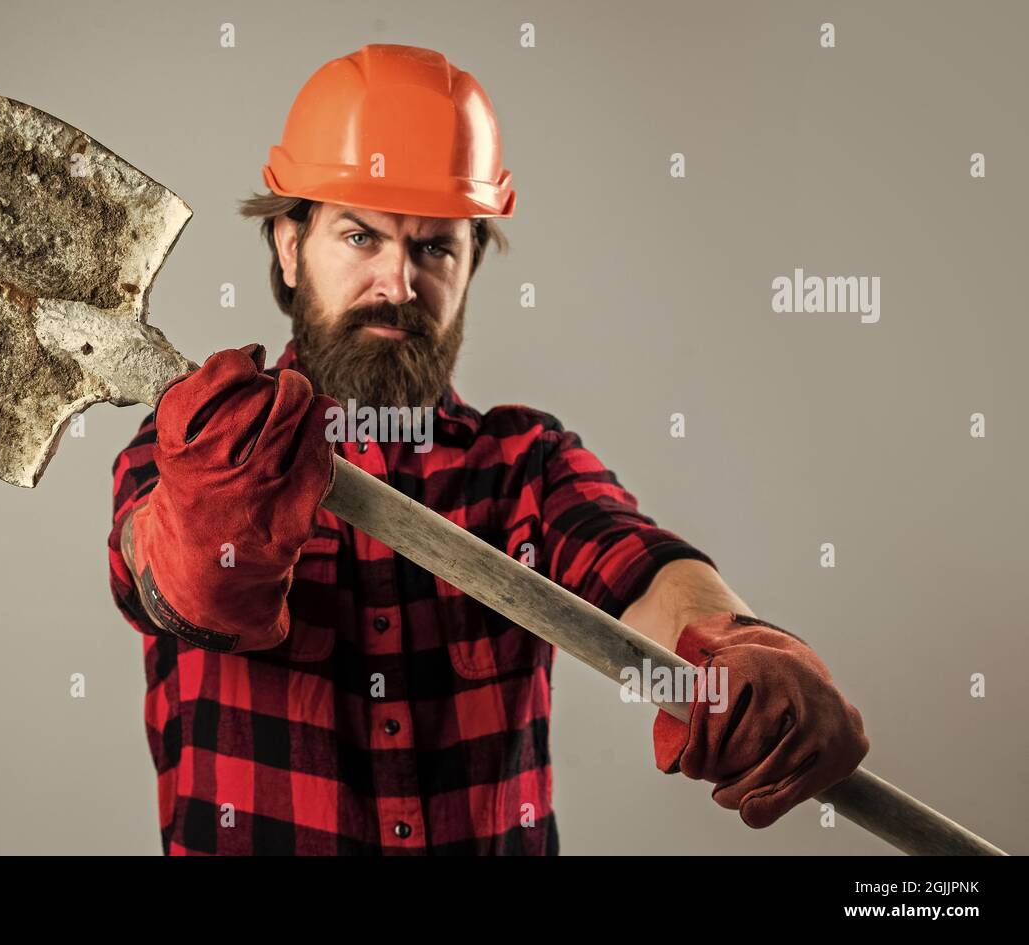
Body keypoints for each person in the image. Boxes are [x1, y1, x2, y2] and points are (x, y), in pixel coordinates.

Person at [107, 43, 868, 855]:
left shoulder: (523, 465)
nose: (398, 284)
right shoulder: (180, 453)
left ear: (472, 262)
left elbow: (639, 563)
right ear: (291, 247)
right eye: (361, 236)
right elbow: (169, 584)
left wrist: (732, 639)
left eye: (434, 247)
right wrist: (206, 526)